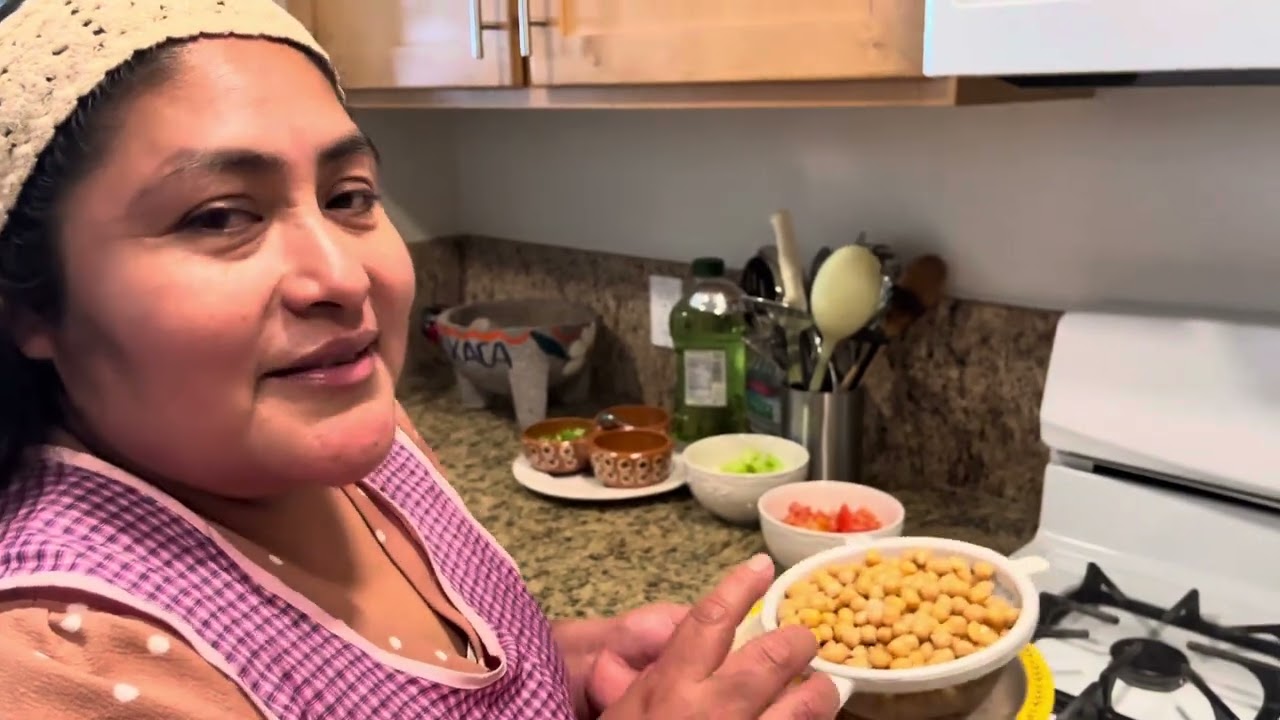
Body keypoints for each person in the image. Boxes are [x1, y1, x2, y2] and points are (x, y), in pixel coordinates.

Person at [0, 1, 841, 718]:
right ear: (32, 307)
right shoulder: (59, 663)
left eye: (350, 197)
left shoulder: (350, 426)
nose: (341, 274)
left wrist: (570, 663)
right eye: (220, 216)